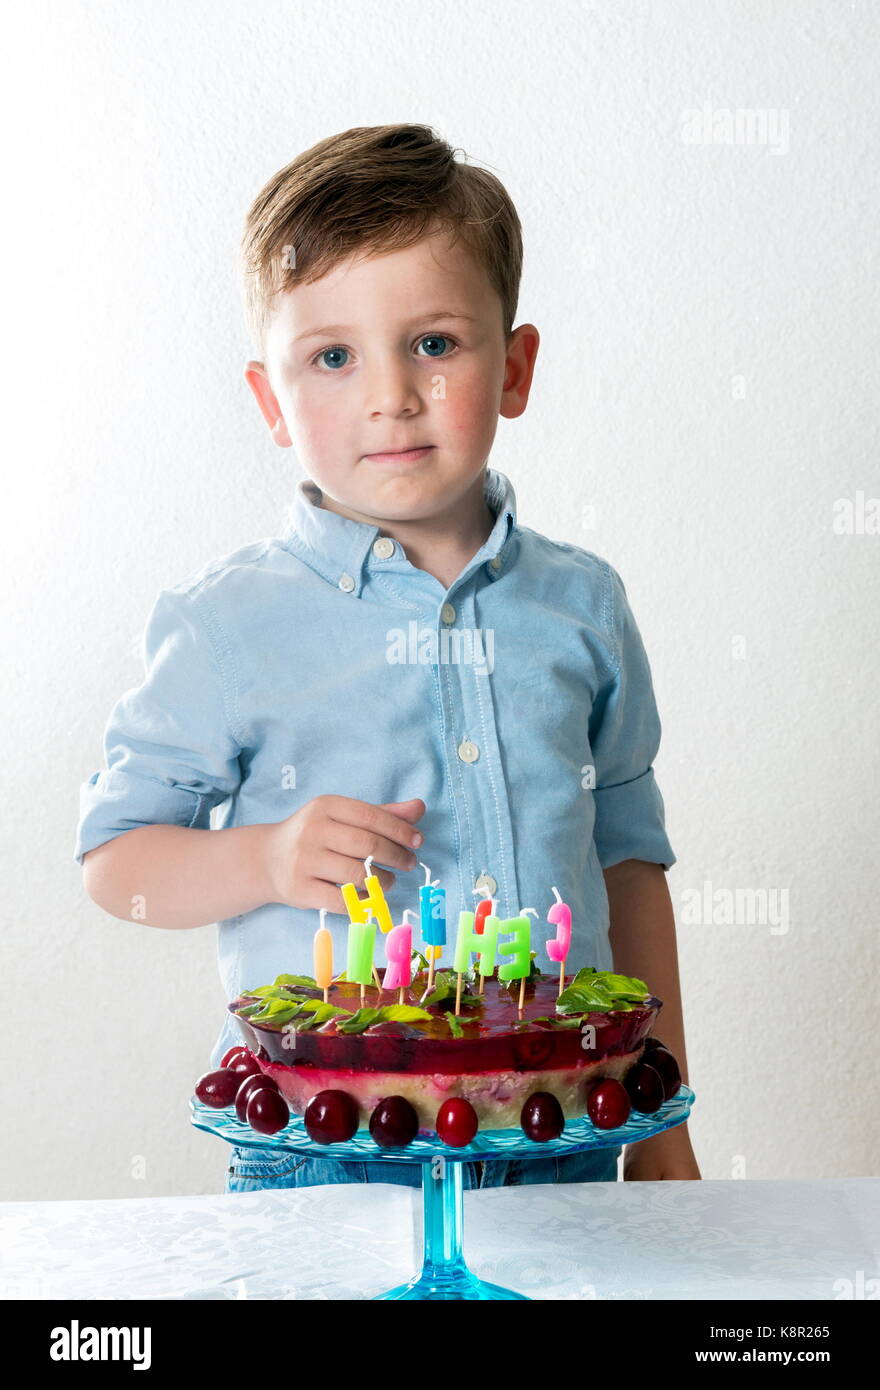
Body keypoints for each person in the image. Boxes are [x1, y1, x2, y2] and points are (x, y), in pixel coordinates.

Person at [75, 123, 700, 1192]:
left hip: (562, 1142)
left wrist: (664, 1127)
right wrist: (264, 859)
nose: (390, 395)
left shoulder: (584, 607)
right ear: (270, 401)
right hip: (326, 1168)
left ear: (513, 366)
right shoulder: (225, 625)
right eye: (331, 356)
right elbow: (116, 865)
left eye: (435, 343)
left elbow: (629, 867)